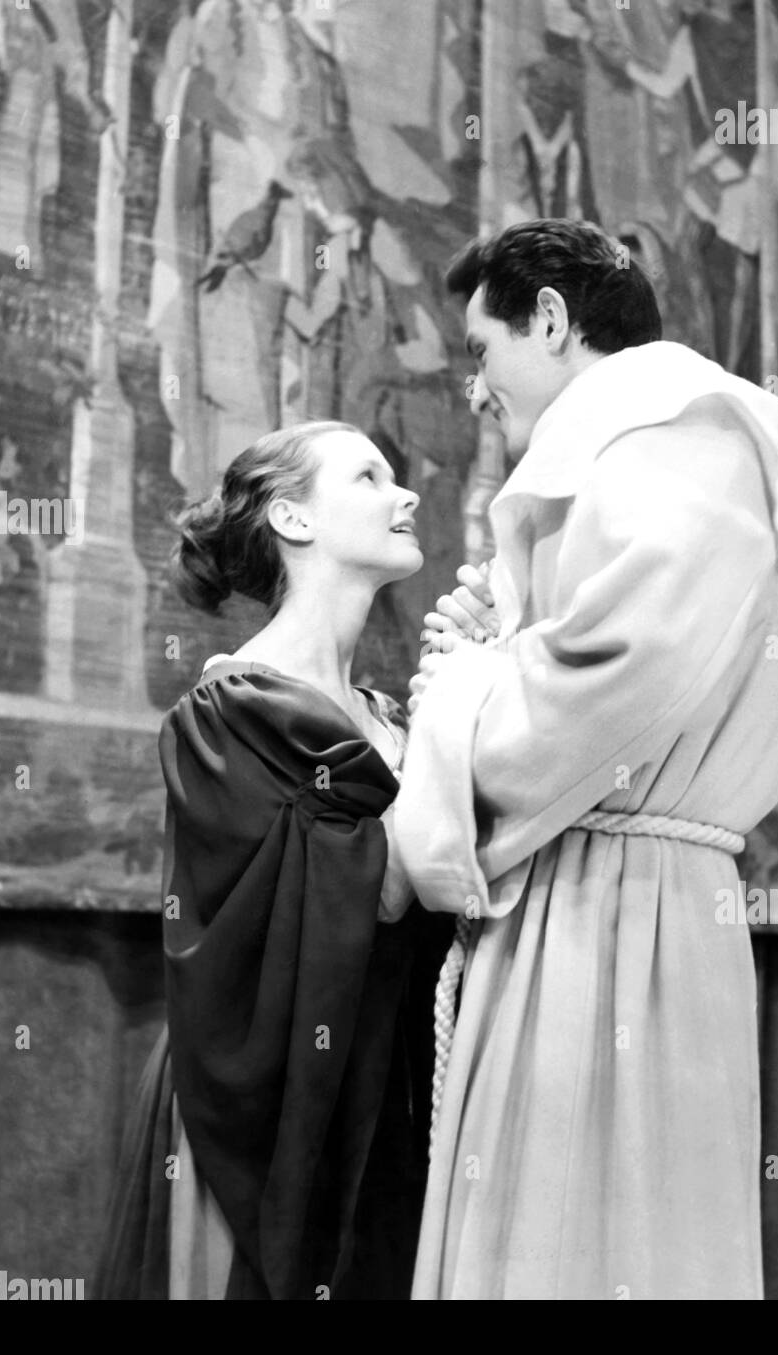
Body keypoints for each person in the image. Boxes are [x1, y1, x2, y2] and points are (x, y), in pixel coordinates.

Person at [395, 219, 778, 1299]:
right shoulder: (644, 445)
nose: (473, 388)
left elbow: (612, 680)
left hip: (611, 914)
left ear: (550, 320)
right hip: (604, 897)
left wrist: (460, 686)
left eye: (480, 351)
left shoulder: (672, 435)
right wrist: (497, 645)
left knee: (586, 1240)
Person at [94, 420, 449, 1300]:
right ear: (293, 521)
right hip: (251, 1112)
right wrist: (462, 706)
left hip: (370, 1100)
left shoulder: (390, 715)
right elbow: (380, 890)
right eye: (369, 478)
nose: (404, 496)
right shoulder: (232, 713)